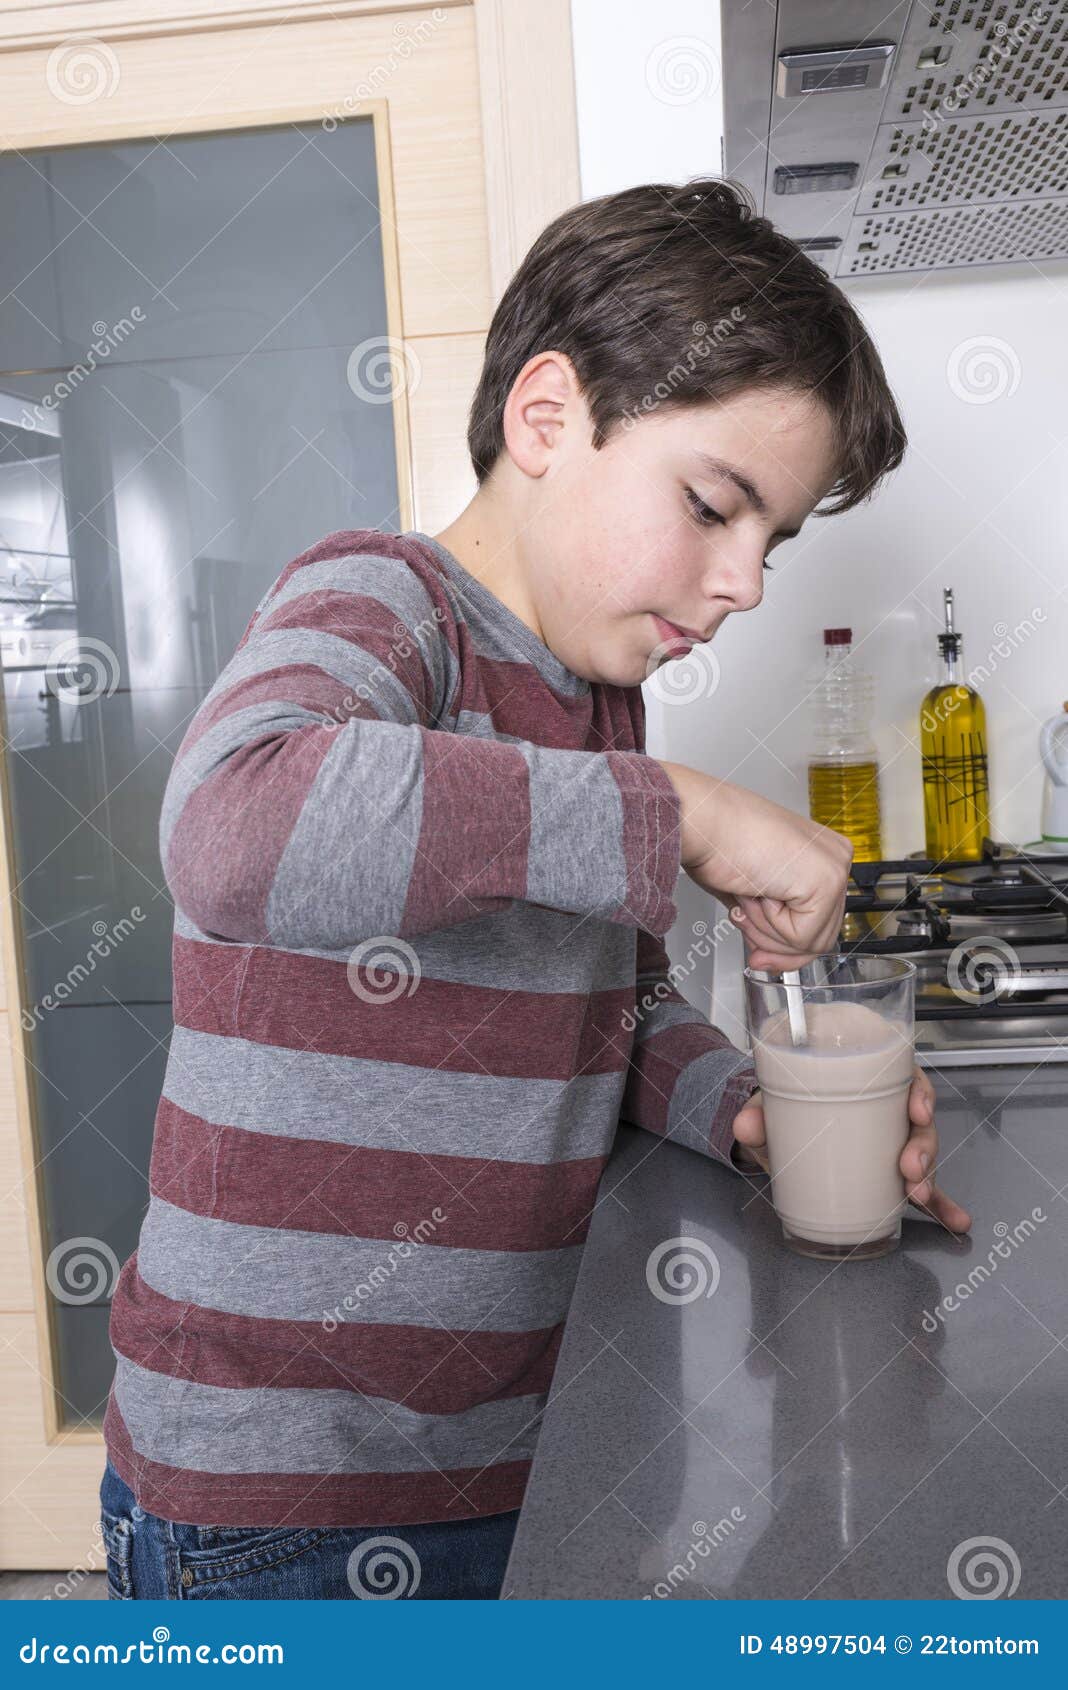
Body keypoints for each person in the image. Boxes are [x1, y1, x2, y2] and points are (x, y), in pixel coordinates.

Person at [98, 177, 972, 1602]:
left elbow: (607, 1014)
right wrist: (683, 810)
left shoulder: (602, 707)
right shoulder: (385, 606)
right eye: (713, 505)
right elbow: (233, 822)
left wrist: (740, 1106)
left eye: (776, 540)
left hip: (516, 1446)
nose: (743, 581)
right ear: (548, 419)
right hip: (280, 1498)